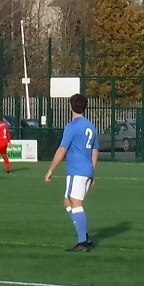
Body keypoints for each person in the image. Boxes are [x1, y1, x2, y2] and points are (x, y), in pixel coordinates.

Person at [45, 93, 98, 251]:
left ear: (70, 107)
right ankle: (85, 235)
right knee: (68, 203)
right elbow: (95, 150)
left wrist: (50, 170)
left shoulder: (72, 126)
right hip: (87, 169)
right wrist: (92, 172)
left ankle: (82, 242)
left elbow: (62, 149)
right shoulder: (91, 126)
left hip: (77, 170)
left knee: (75, 203)